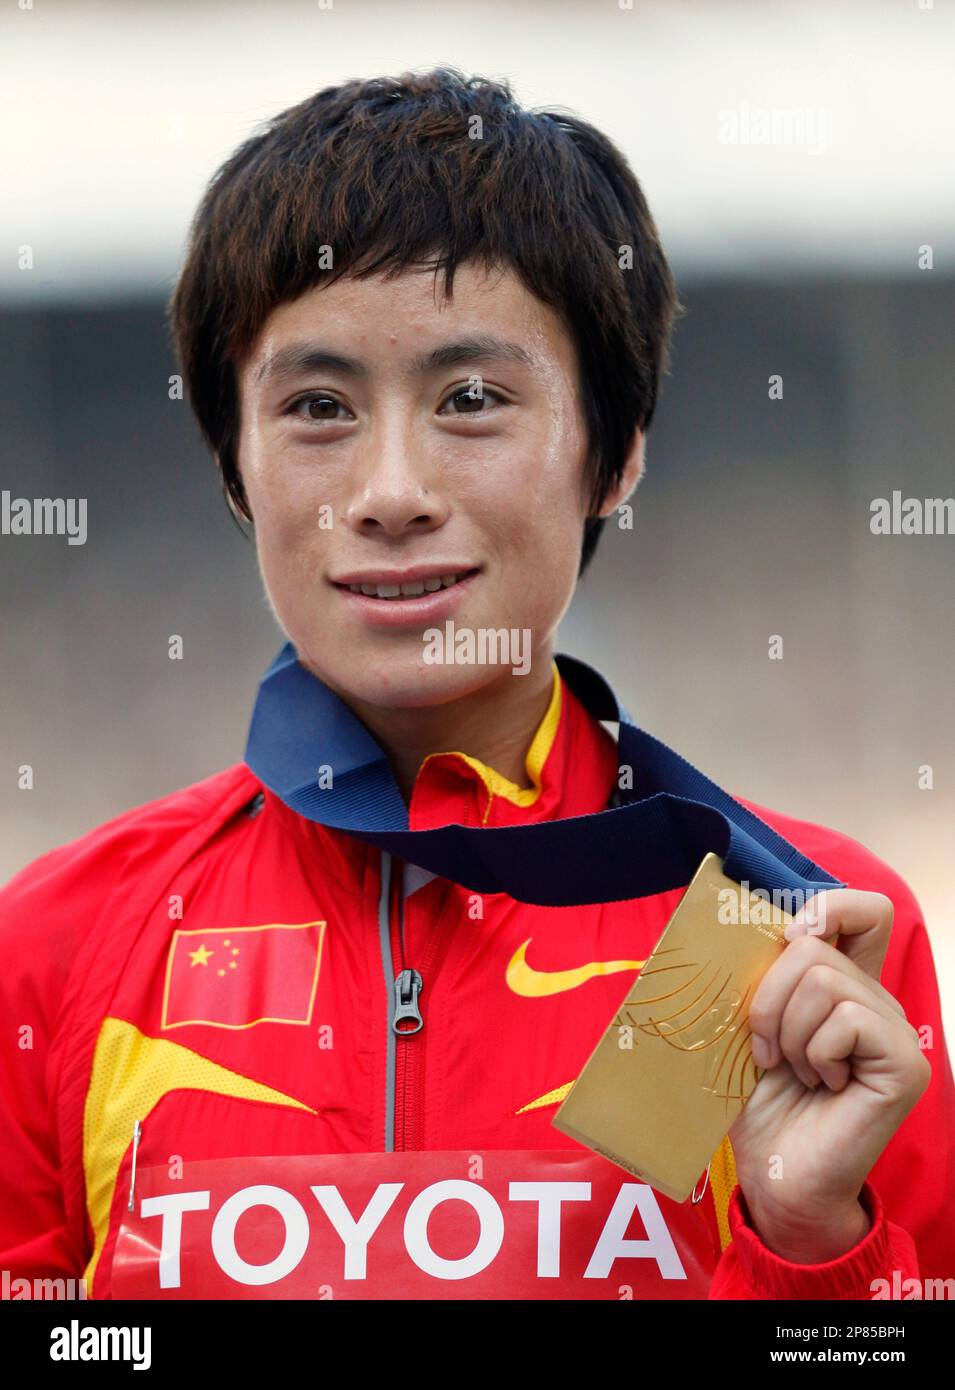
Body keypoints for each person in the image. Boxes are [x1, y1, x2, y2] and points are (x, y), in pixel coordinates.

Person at [1, 67, 952, 1302]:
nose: (391, 491)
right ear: (236, 469)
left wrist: (809, 1239)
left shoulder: (777, 933)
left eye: (470, 398)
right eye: (318, 405)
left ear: (614, 455)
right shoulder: (60, 951)